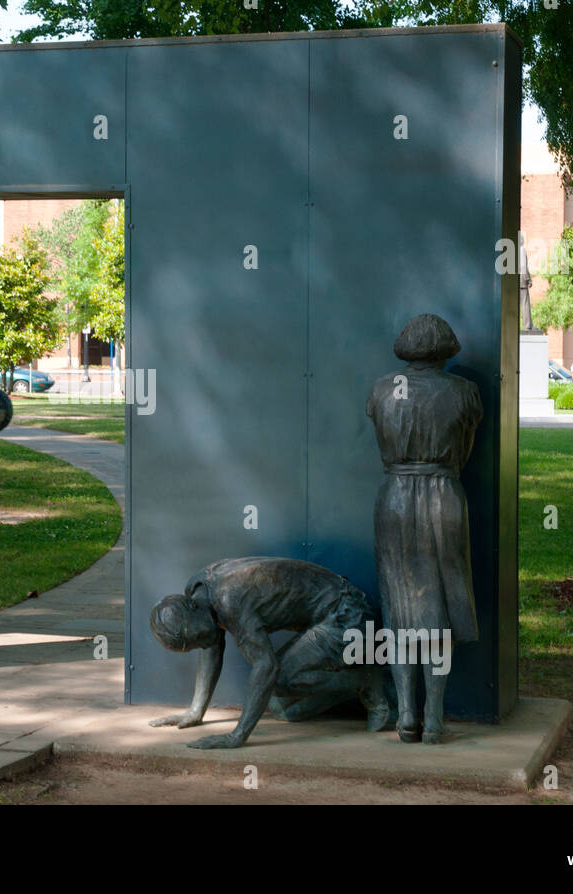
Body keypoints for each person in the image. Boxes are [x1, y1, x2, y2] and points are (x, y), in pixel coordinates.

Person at [366, 314, 483, 744]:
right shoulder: (465, 393)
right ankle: (433, 718)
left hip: (393, 497)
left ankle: (406, 715)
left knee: (399, 609)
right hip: (444, 496)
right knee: (440, 608)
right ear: (446, 347)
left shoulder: (381, 390)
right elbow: (465, 450)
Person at [148, 557, 391, 749]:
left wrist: (238, 735)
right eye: (194, 645)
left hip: (348, 618)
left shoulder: (229, 599)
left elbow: (266, 667)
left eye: (197, 637)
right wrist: (195, 711)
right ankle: (357, 683)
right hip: (330, 615)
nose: (203, 644)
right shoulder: (199, 591)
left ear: (192, 606)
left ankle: (366, 681)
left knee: (278, 680)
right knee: (281, 708)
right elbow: (211, 643)